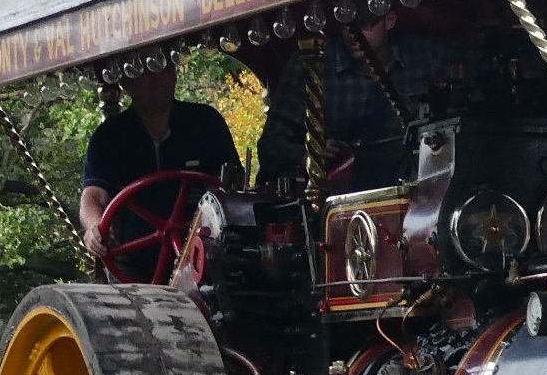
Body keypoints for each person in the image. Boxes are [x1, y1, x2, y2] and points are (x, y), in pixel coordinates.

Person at [256, 14, 458, 191]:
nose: (353, 34)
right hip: (338, 199)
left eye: (366, 24)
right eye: (346, 23)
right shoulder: (311, 63)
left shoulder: (428, 55)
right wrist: (311, 156)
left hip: (418, 193)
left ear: (389, 20)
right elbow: (271, 146)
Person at [80, 65, 241, 266]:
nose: (155, 77)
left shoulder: (206, 123)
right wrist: (95, 228)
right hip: (133, 266)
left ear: (174, 75)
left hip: (204, 260)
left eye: (161, 66)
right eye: (143, 70)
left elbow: (231, 189)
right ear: (126, 83)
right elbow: (93, 195)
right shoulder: (109, 137)